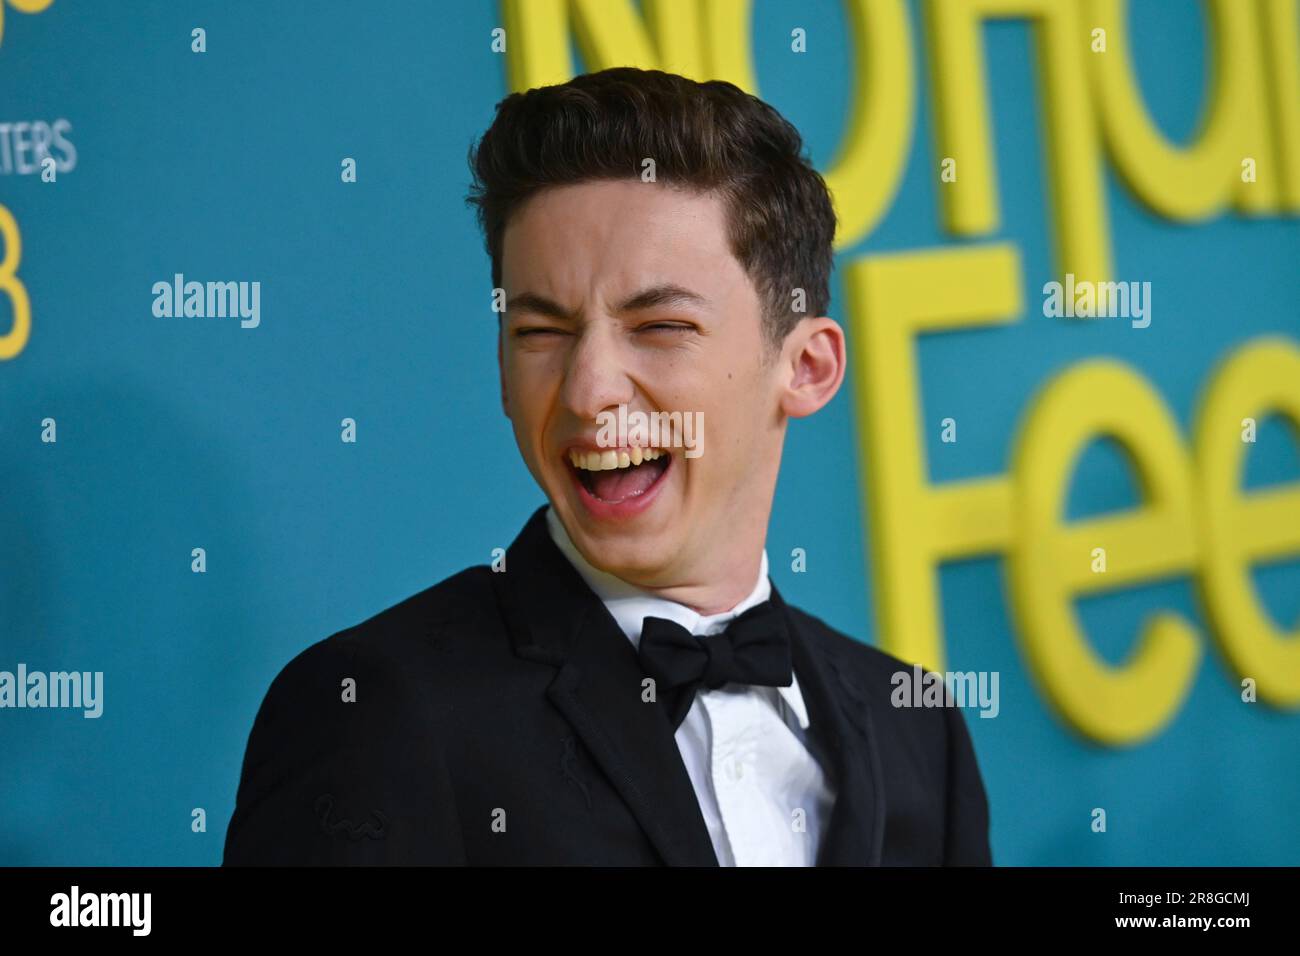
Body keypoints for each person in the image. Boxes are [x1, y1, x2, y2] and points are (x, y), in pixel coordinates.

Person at [222, 67, 992, 866]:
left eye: (660, 325)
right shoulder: (376, 713)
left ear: (806, 368)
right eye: (541, 333)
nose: (588, 392)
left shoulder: (919, 726)